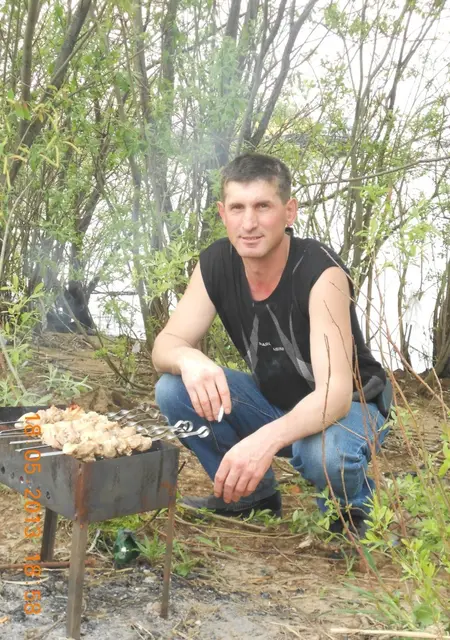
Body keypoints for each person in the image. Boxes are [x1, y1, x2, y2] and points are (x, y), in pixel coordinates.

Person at [152, 153, 392, 534]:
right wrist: (188, 358)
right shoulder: (216, 263)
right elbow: (165, 345)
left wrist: (262, 442)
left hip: (353, 406)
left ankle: (353, 519)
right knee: (173, 388)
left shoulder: (321, 272)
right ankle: (251, 497)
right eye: (238, 208)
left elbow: (334, 396)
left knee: (322, 451)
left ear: (289, 211)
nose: (249, 223)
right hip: (277, 404)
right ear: (223, 213)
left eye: (263, 206)